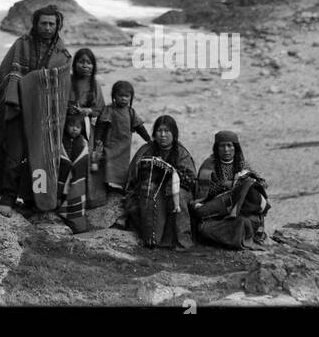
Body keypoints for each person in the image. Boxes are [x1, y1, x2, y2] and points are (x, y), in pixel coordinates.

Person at [0, 4, 73, 216]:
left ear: (57, 25)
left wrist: (32, 82)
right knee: (14, 155)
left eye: (51, 24)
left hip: (45, 115)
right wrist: (27, 87)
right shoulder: (21, 45)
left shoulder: (62, 54)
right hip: (17, 108)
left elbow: (60, 84)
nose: (47, 27)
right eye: (43, 23)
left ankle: (36, 199)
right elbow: (7, 74)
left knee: (41, 157)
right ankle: (8, 196)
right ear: (35, 24)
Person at [122, 115, 196, 250]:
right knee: (143, 195)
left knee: (177, 198)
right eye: (159, 131)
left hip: (176, 190)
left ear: (174, 133)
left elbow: (191, 179)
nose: (163, 135)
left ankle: (182, 241)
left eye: (167, 131)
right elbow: (133, 175)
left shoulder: (181, 152)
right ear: (154, 133)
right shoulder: (146, 150)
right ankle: (151, 238)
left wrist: (172, 175)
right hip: (150, 189)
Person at [191, 129, 270, 250]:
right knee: (204, 227)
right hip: (217, 213)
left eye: (229, 145)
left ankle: (235, 235)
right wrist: (224, 186)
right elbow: (202, 194)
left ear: (235, 148)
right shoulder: (208, 166)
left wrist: (241, 185)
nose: (226, 150)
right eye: (222, 146)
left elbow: (262, 184)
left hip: (241, 210)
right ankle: (238, 236)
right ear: (216, 148)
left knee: (249, 192)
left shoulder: (242, 165)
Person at [68, 48, 110, 208]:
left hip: (85, 127)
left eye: (89, 62)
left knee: (87, 159)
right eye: (81, 61)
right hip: (68, 126)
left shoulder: (95, 84)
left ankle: (88, 199)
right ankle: (67, 198)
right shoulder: (68, 81)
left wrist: (87, 111)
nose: (85, 66)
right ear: (75, 63)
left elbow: (99, 107)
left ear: (93, 66)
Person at [100, 80, 151, 192]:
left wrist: (148, 139)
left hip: (124, 146)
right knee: (108, 165)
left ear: (131, 97)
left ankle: (124, 187)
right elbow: (102, 125)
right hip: (111, 144)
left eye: (127, 96)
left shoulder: (130, 112)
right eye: (120, 95)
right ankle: (106, 186)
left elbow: (139, 127)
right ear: (114, 96)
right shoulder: (109, 110)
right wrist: (98, 140)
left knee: (123, 167)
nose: (123, 99)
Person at [56, 110, 92, 233]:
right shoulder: (59, 141)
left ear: (82, 129)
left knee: (75, 198)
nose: (74, 129)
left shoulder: (83, 142)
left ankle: (76, 225)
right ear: (65, 126)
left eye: (78, 127)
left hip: (76, 178)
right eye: (71, 126)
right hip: (62, 175)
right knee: (59, 198)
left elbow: (84, 158)